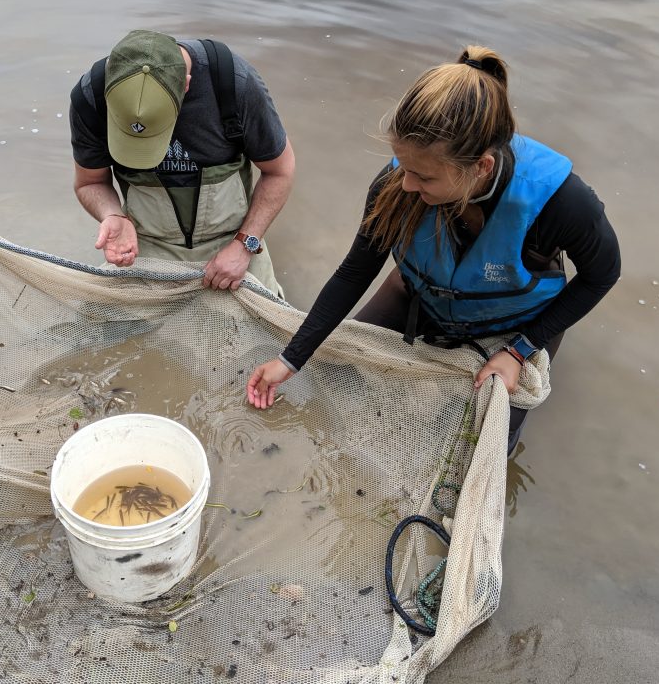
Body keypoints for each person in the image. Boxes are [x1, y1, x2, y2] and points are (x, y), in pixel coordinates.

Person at [247, 46, 621, 454]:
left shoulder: (563, 202)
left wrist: (521, 350)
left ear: (481, 167)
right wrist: (290, 358)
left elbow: (601, 275)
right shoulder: (397, 183)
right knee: (337, 376)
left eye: (423, 176)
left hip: (518, 324)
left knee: (485, 449)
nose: (405, 184)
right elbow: (354, 272)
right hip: (422, 295)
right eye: (402, 166)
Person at [70, 29, 295, 297]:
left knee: (263, 335)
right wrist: (113, 215)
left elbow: (280, 172)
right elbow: (90, 182)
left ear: (186, 85)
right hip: (146, 244)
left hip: (232, 241)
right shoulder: (90, 98)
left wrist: (245, 245)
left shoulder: (234, 83)